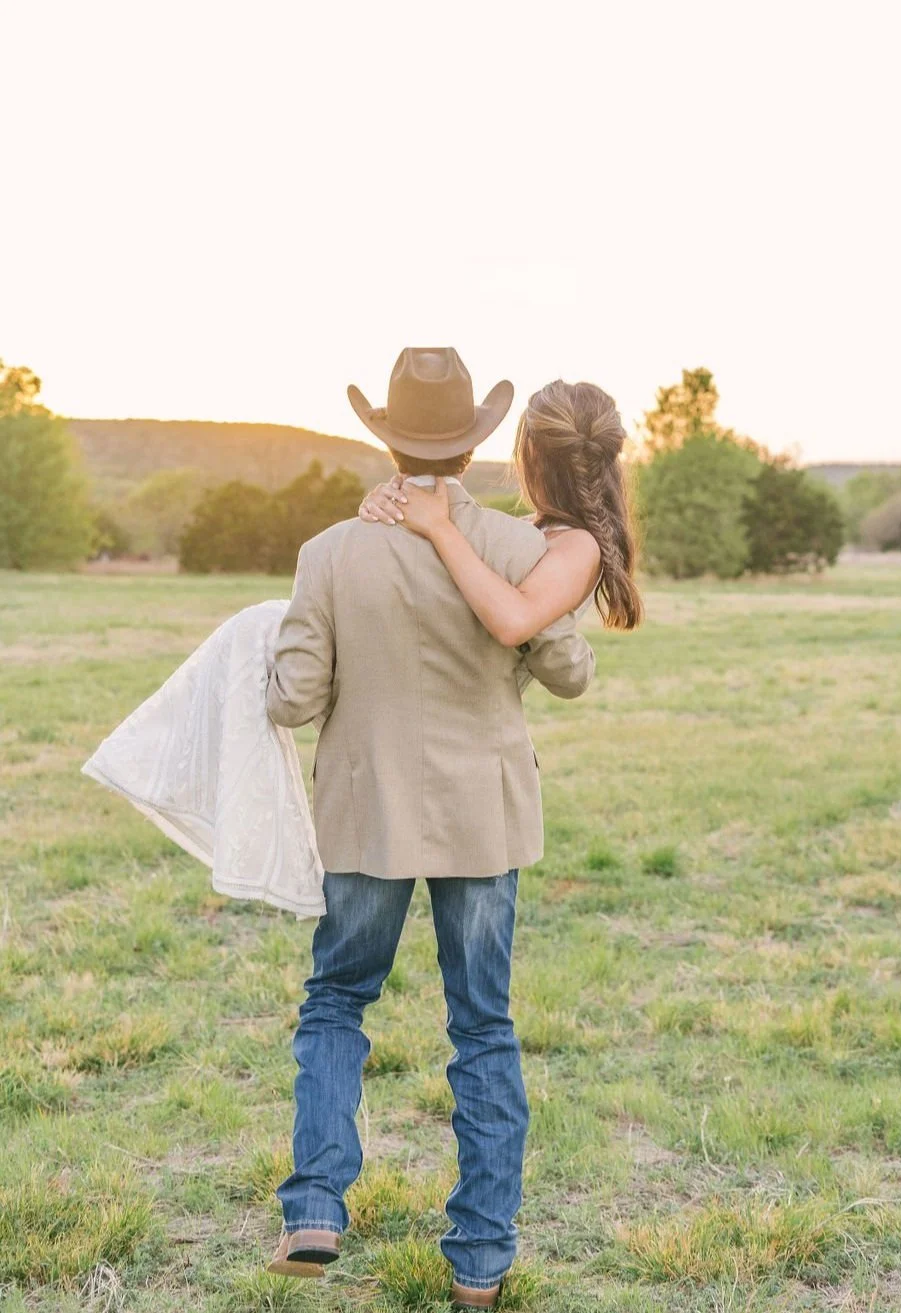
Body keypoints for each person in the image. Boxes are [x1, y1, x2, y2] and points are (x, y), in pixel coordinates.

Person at [264, 347, 597, 1310]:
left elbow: (292, 700)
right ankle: (482, 1262)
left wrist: (259, 657)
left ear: (389, 437)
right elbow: (570, 672)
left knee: (336, 1003)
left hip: (366, 818)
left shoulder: (330, 551)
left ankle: (317, 1206)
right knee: (481, 1027)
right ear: (473, 443)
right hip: (480, 821)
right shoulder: (515, 545)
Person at [357, 377, 644, 649]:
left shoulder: (580, 546)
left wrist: (439, 527)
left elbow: (514, 623)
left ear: (530, 453)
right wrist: (393, 499)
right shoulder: (532, 531)